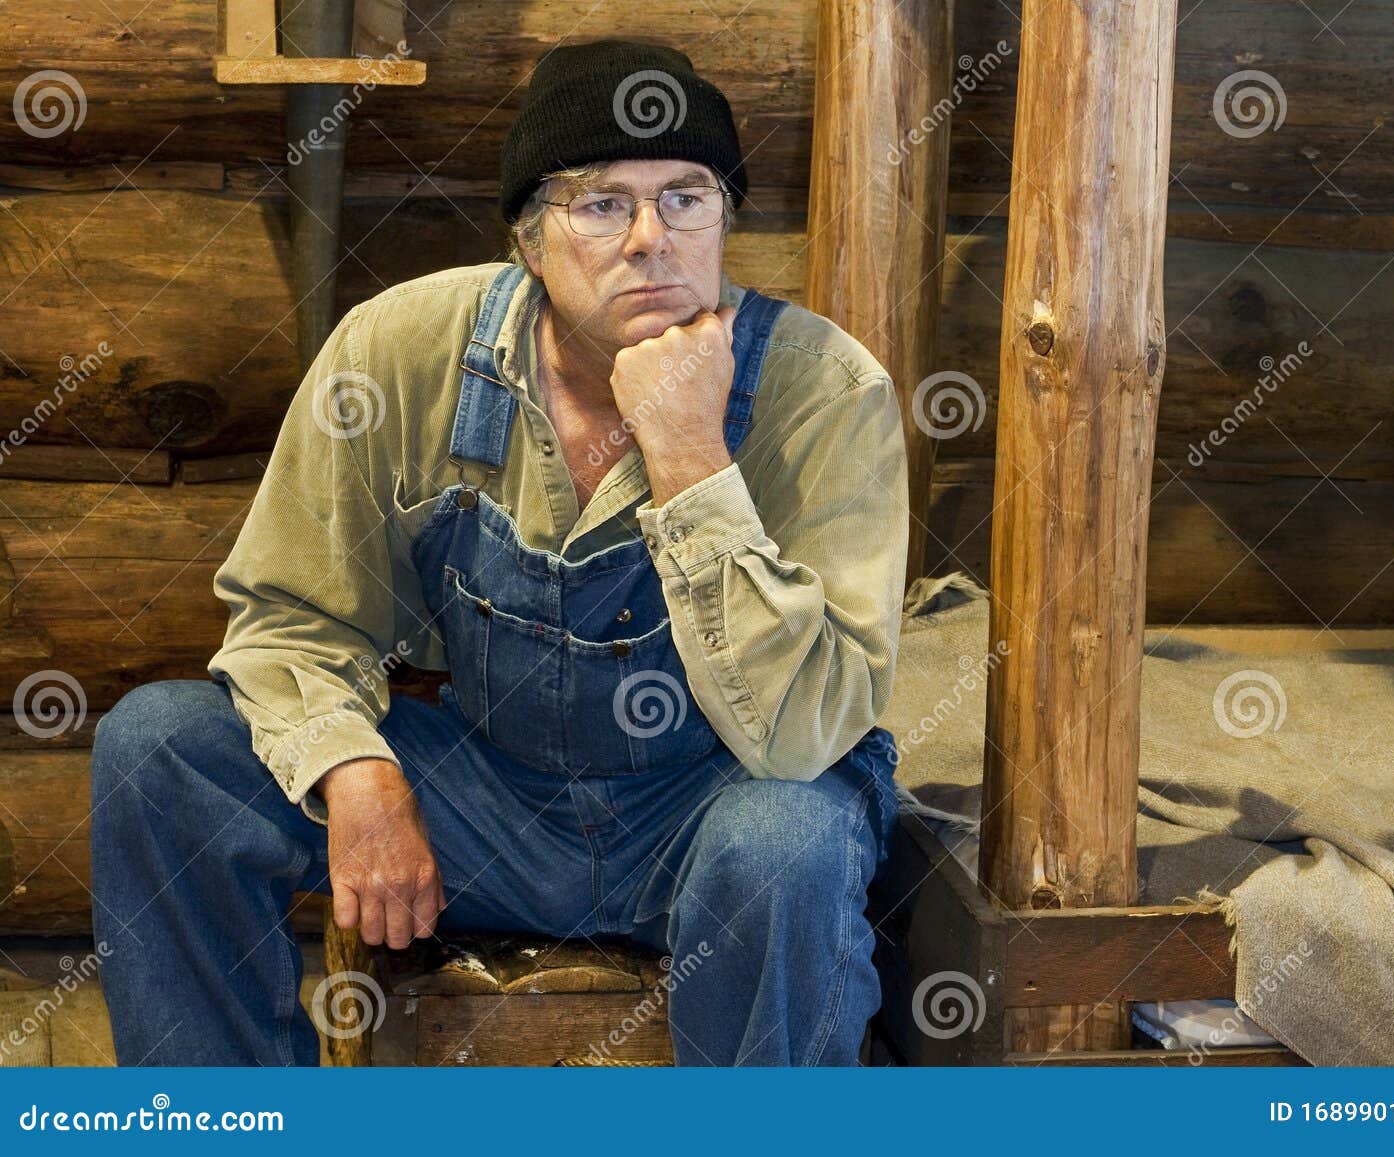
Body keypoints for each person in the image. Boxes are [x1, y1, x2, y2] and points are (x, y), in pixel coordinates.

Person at [89, 38, 909, 1067]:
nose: (652, 238)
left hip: (710, 810)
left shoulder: (825, 392)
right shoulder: (400, 354)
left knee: (791, 837)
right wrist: (356, 771)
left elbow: (804, 735)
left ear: (725, 221)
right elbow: (294, 615)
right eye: (602, 203)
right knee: (162, 748)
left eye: (687, 197)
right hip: (491, 803)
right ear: (529, 238)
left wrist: (693, 460)